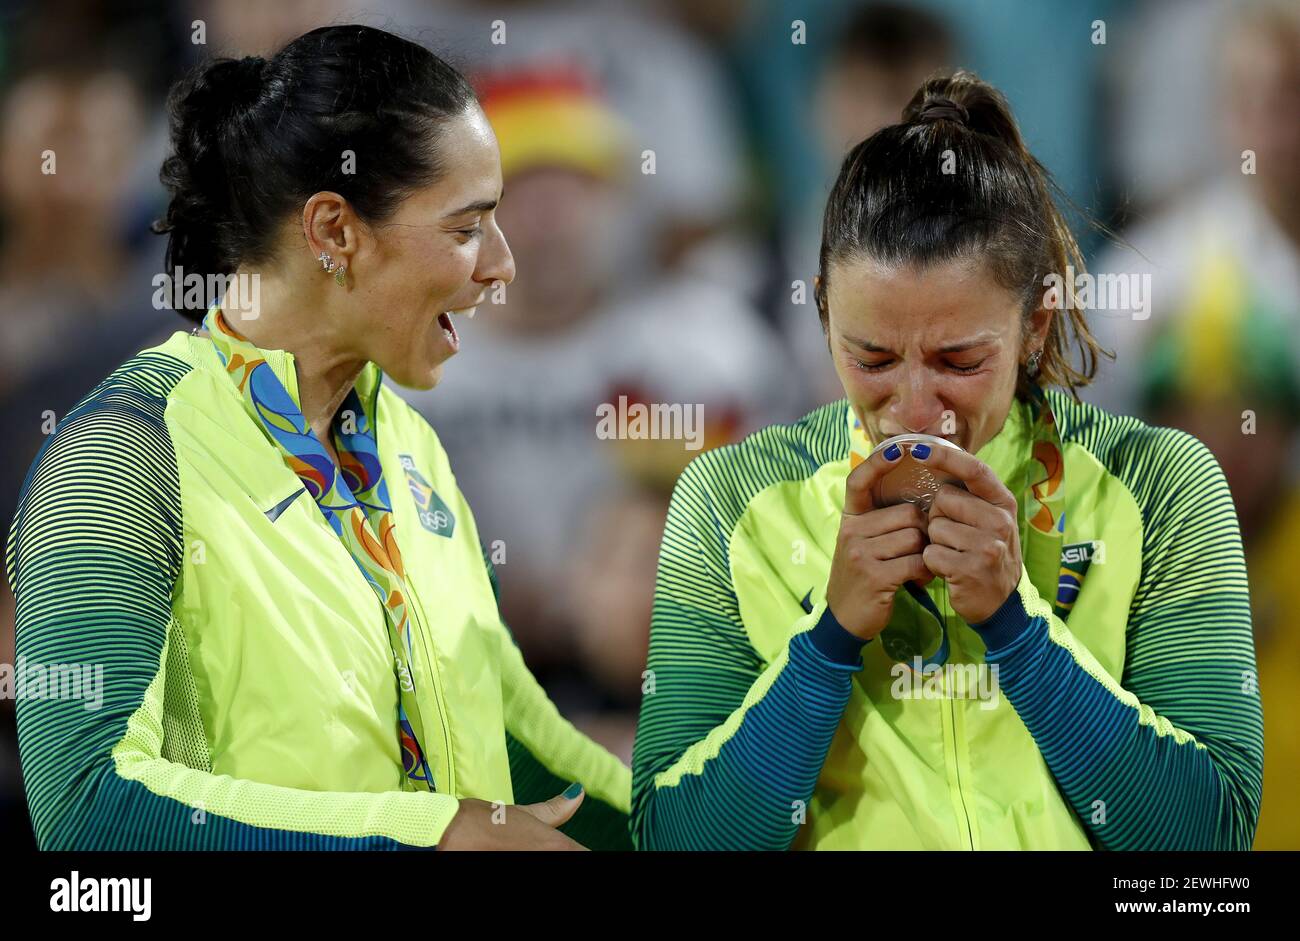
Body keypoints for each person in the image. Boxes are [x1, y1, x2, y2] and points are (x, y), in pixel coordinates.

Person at [6, 25, 630, 851]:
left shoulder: (409, 443)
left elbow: (524, 743)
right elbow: (88, 815)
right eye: (466, 227)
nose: (503, 264)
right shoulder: (116, 461)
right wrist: (425, 838)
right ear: (334, 231)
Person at [631, 71, 1263, 850]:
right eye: (872, 357)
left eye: (959, 360)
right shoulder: (730, 497)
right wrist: (828, 642)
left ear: (1038, 323)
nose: (916, 408)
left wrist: (1018, 628)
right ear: (824, 311)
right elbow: (673, 840)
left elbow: (1208, 844)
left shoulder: (1162, 484)